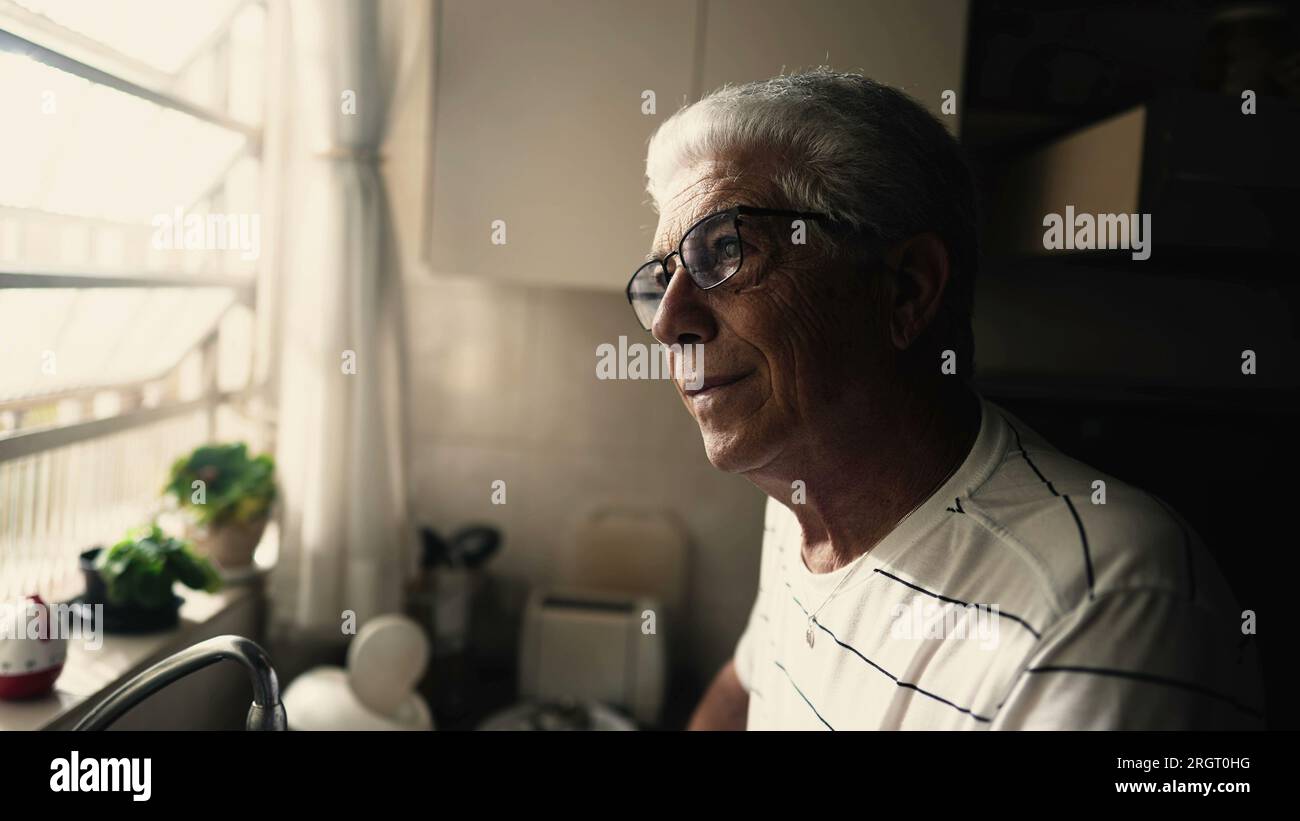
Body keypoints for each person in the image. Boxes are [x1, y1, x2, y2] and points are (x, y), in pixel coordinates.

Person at [624, 70, 1263, 730]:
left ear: (906, 290)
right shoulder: (797, 504)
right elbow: (744, 686)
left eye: (726, 248)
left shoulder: (1105, 600)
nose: (669, 322)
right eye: (663, 276)